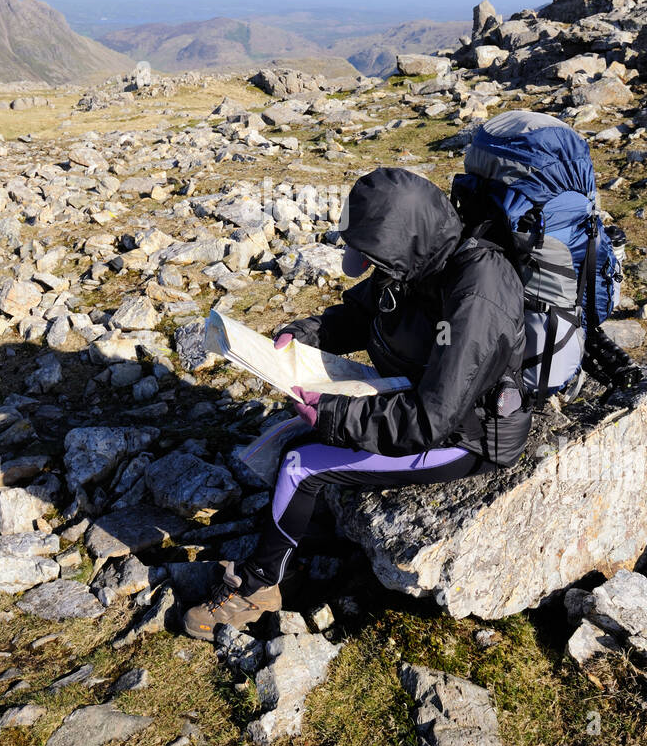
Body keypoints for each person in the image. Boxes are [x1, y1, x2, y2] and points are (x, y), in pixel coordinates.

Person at [184, 166, 532, 640]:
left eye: (372, 258)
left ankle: (259, 585)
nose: (366, 266)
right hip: (410, 395)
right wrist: (304, 337)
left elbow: (434, 418)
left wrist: (332, 415)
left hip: (467, 435)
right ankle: (301, 535)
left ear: (404, 241)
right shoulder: (412, 259)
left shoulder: (477, 292)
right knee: (309, 436)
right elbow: (360, 313)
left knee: (300, 464)